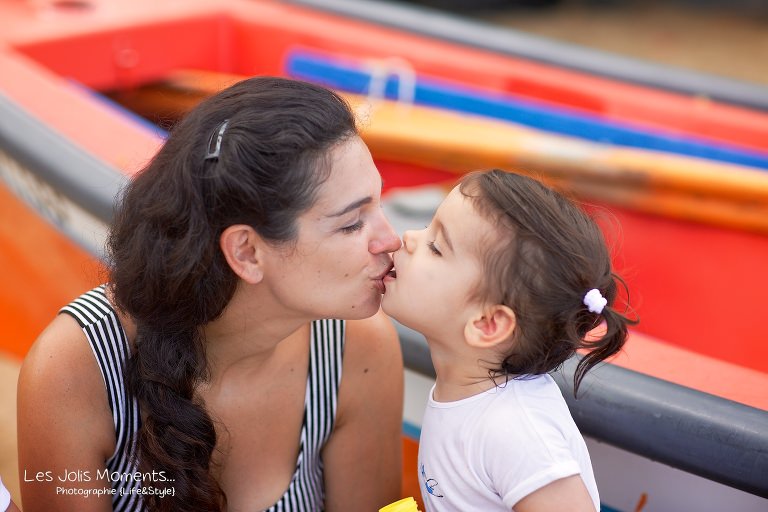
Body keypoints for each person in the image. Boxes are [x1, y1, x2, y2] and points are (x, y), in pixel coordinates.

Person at [17, 77, 405, 512]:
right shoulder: (75, 369)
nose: (392, 239)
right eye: (352, 223)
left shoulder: (359, 346)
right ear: (246, 251)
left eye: (379, 203)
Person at [382, 169, 636, 511]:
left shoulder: (514, 430)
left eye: (436, 247)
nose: (410, 237)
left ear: (488, 324)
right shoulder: (470, 398)